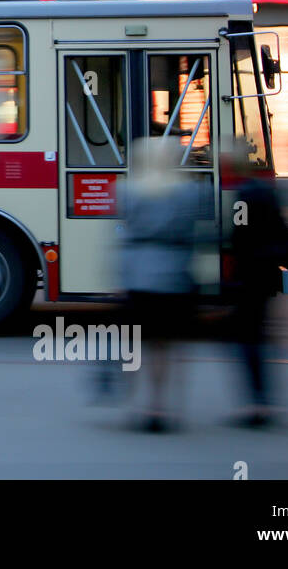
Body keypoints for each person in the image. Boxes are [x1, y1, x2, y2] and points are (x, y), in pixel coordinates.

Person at [118, 136, 201, 431]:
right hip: (173, 275)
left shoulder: (127, 190)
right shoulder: (187, 192)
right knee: (168, 345)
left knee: (138, 344)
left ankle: (138, 404)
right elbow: (192, 234)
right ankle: (162, 407)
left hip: (138, 276)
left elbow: (121, 235)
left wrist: (118, 275)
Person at [224, 146, 288, 427]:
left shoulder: (242, 197)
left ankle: (256, 406)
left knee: (246, 339)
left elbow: (238, 238)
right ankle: (264, 402)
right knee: (260, 335)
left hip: (250, 276)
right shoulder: (265, 190)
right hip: (269, 274)